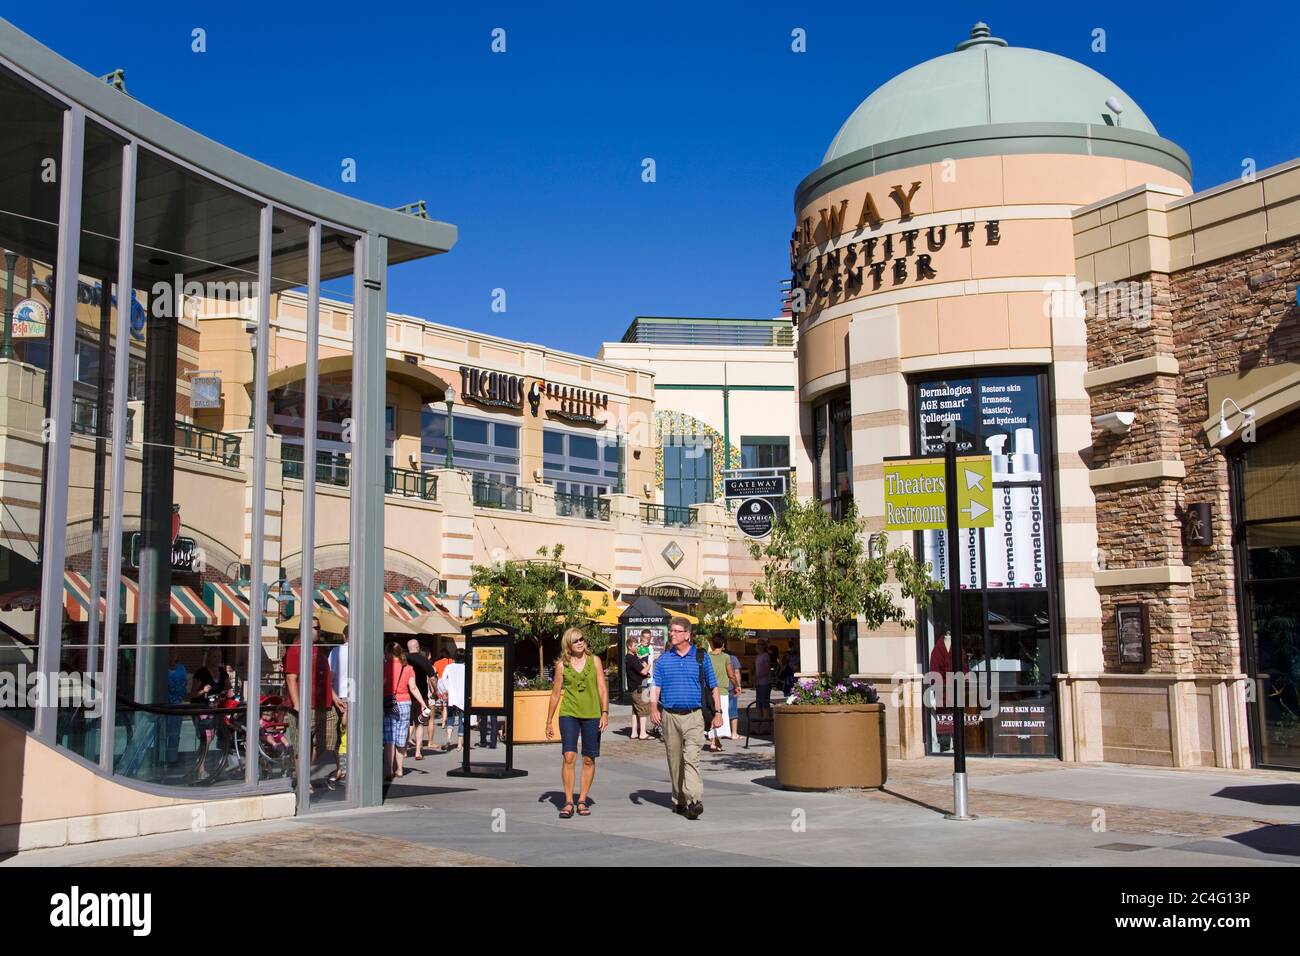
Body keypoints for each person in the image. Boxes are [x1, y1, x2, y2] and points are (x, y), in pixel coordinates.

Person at [649, 618, 721, 820]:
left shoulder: (701, 657)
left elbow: (713, 686)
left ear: (687, 634)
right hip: (670, 716)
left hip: (694, 716)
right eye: (671, 631)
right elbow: (655, 688)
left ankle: (694, 800)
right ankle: (679, 798)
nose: (672, 634)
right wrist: (653, 708)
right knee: (675, 761)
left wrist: (718, 713)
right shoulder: (663, 660)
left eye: (676, 631)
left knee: (691, 758)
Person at [545, 628, 608, 818]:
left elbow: (602, 689)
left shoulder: (595, 661)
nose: (580, 643)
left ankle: (582, 800)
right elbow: (556, 694)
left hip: (591, 714)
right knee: (569, 756)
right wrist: (548, 721)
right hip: (569, 713)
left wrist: (604, 712)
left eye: (582, 639)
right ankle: (568, 801)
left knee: (589, 758)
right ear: (568, 645)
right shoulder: (561, 666)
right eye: (575, 641)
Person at [283, 617, 334, 765]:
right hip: (305, 705)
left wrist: (334, 697)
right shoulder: (295, 650)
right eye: (316, 628)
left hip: (322, 704)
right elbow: (291, 679)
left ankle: (304, 773)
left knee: (324, 742)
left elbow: (325, 678)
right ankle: (303, 779)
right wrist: (297, 704)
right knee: (302, 746)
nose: (320, 631)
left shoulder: (320, 650)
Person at [383, 641, 428, 781]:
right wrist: (422, 703)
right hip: (405, 703)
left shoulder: (384, 666)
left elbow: (381, 684)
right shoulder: (408, 668)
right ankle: (400, 769)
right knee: (402, 737)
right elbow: (413, 688)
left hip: (388, 703)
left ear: (389, 652)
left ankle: (389, 770)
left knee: (389, 739)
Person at [405, 638, 436, 759]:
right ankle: (418, 751)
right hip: (421, 697)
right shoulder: (424, 660)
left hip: (405, 695)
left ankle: (405, 750)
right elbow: (432, 678)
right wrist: (435, 690)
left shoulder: (404, 659)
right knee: (419, 723)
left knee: (406, 724)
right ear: (418, 647)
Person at [327, 627, 350, 786]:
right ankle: (348, 768)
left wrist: (334, 696)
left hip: (339, 695)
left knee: (341, 735)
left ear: (344, 635)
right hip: (356, 696)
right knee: (351, 735)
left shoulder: (336, 652)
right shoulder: (364, 651)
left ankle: (342, 768)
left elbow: (330, 676)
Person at [437, 648, 466, 752]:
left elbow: (442, 680)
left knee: (450, 718)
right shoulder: (466, 668)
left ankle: (448, 738)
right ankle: (459, 744)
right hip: (463, 697)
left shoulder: (449, 667)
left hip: (452, 696)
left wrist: (448, 689)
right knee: (462, 720)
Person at [707, 635, 733, 752]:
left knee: (713, 714)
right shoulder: (726, 657)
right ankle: (713, 742)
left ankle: (715, 740)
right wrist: (737, 685)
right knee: (720, 714)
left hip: (709, 689)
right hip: (722, 689)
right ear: (723, 645)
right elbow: (731, 673)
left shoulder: (707, 657)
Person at [624, 635, 651, 740]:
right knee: (643, 709)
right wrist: (649, 665)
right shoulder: (631, 658)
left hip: (633, 688)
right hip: (638, 687)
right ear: (629, 647)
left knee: (635, 711)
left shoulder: (631, 658)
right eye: (635, 645)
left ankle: (634, 732)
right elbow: (643, 671)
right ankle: (643, 733)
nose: (637, 647)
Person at [754, 639, 773, 712]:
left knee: (765, 704)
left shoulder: (765, 656)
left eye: (760, 644)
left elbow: (767, 669)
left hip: (765, 683)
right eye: (757, 644)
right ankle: (760, 721)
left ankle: (767, 721)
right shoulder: (758, 656)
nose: (758, 646)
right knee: (758, 704)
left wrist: (758, 676)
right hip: (758, 683)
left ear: (764, 646)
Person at [727, 646, 742, 738]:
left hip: (718, 688)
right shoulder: (732, 658)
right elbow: (736, 673)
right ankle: (734, 733)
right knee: (732, 709)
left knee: (718, 710)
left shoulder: (712, 657)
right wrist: (738, 685)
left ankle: (717, 734)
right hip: (731, 687)